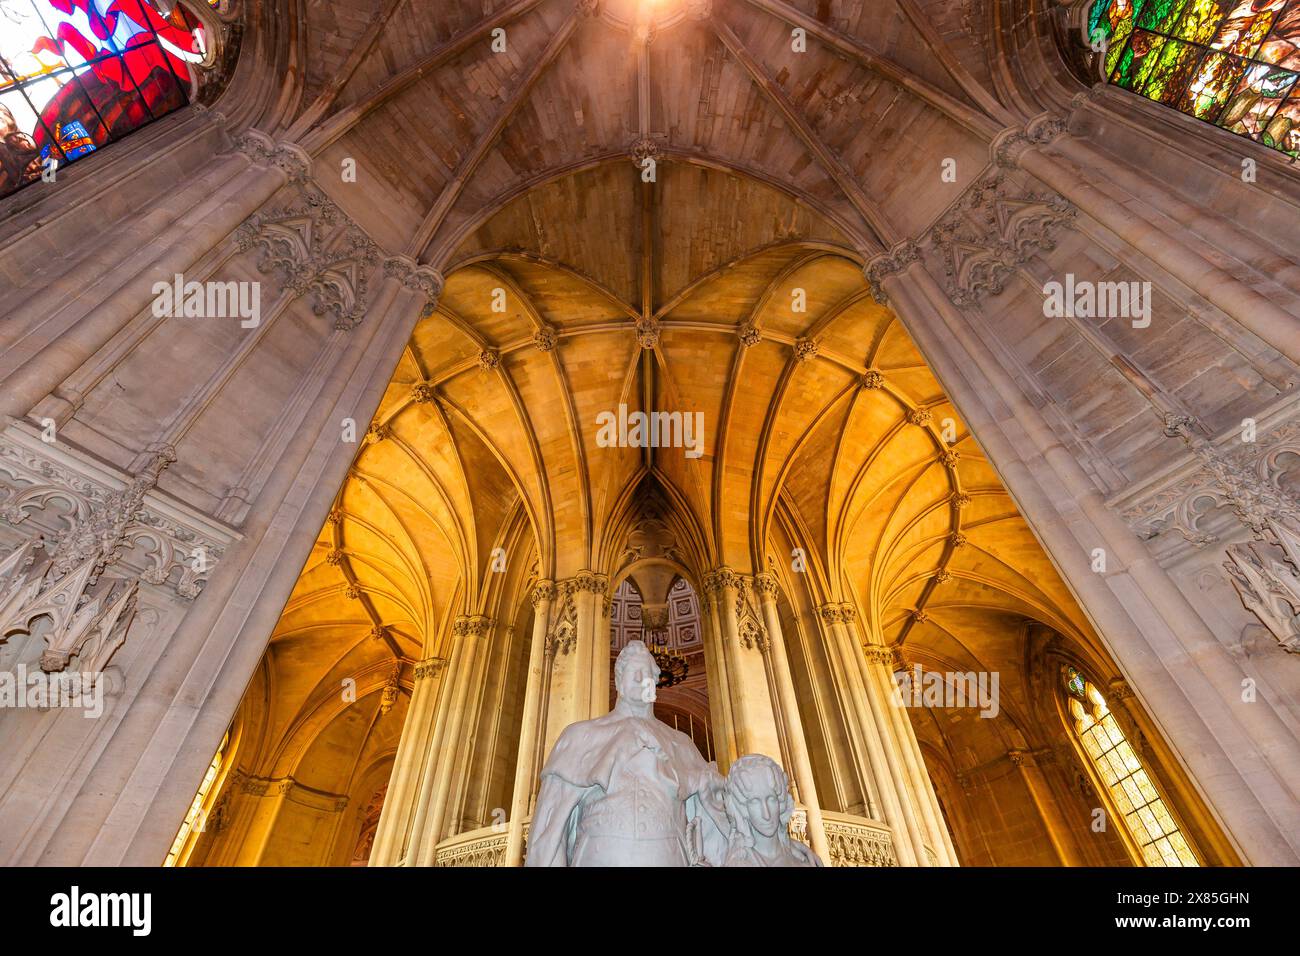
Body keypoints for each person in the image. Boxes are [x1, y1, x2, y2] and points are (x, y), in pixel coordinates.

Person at [526, 640, 729, 866]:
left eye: (648, 673)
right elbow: (550, 826)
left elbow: (711, 818)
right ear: (618, 681)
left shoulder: (680, 743)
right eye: (635, 671)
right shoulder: (581, 735)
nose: (641, 679)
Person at [721, 753, 822, 867]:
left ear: (781, 802)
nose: (766, 814)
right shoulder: (738, 862)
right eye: (755, 801)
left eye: (771, 799)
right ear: (742, 808)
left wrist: (790, 844)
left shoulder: (806, 862)